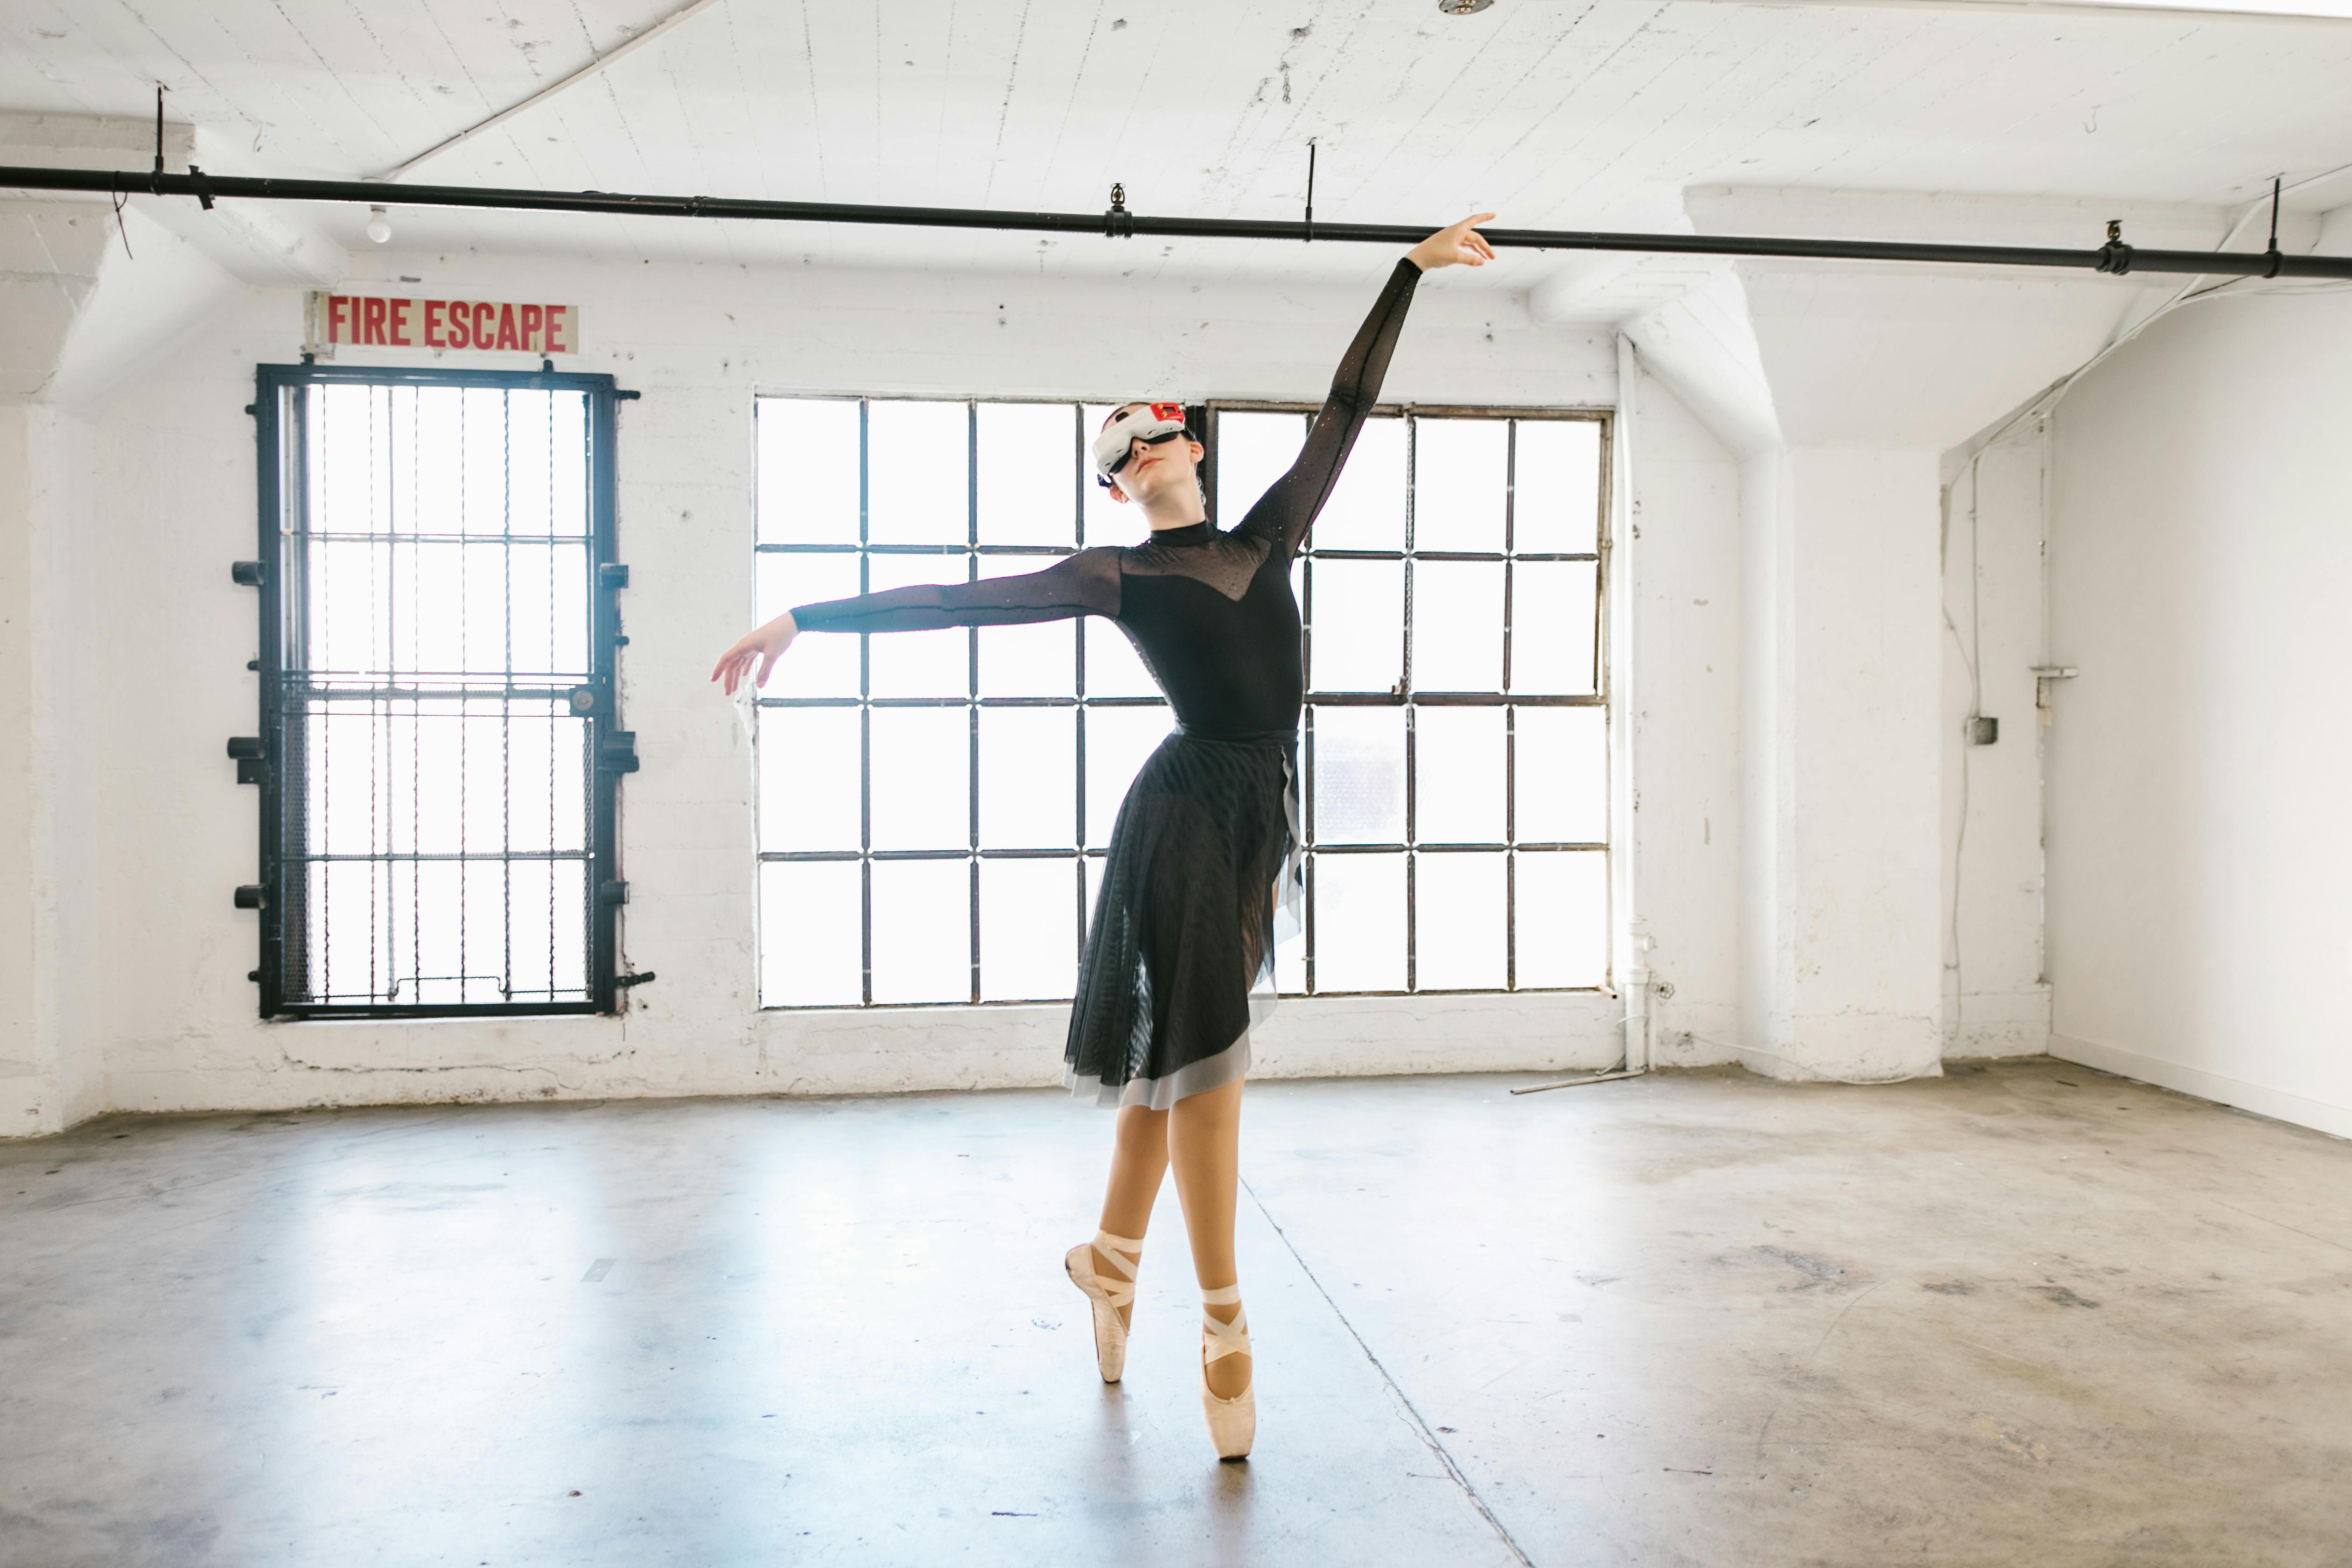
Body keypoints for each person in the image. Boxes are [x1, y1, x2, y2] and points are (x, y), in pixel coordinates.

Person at [711, 215, 1497, 1460]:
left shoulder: (1268, 532)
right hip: (1185, 811)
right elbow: (956, 602)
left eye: (1172, 431)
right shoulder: (1113, 576)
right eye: (1139, 446)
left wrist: (1408, 271)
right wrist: (803, 616)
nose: (1165, 447)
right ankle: (1225, 1323)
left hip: (1257, 811)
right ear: (1124, 480)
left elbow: (1345, 409)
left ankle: (1110, 1260)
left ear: (1192, 449)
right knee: (1215, 1061)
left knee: (1174, 1059)